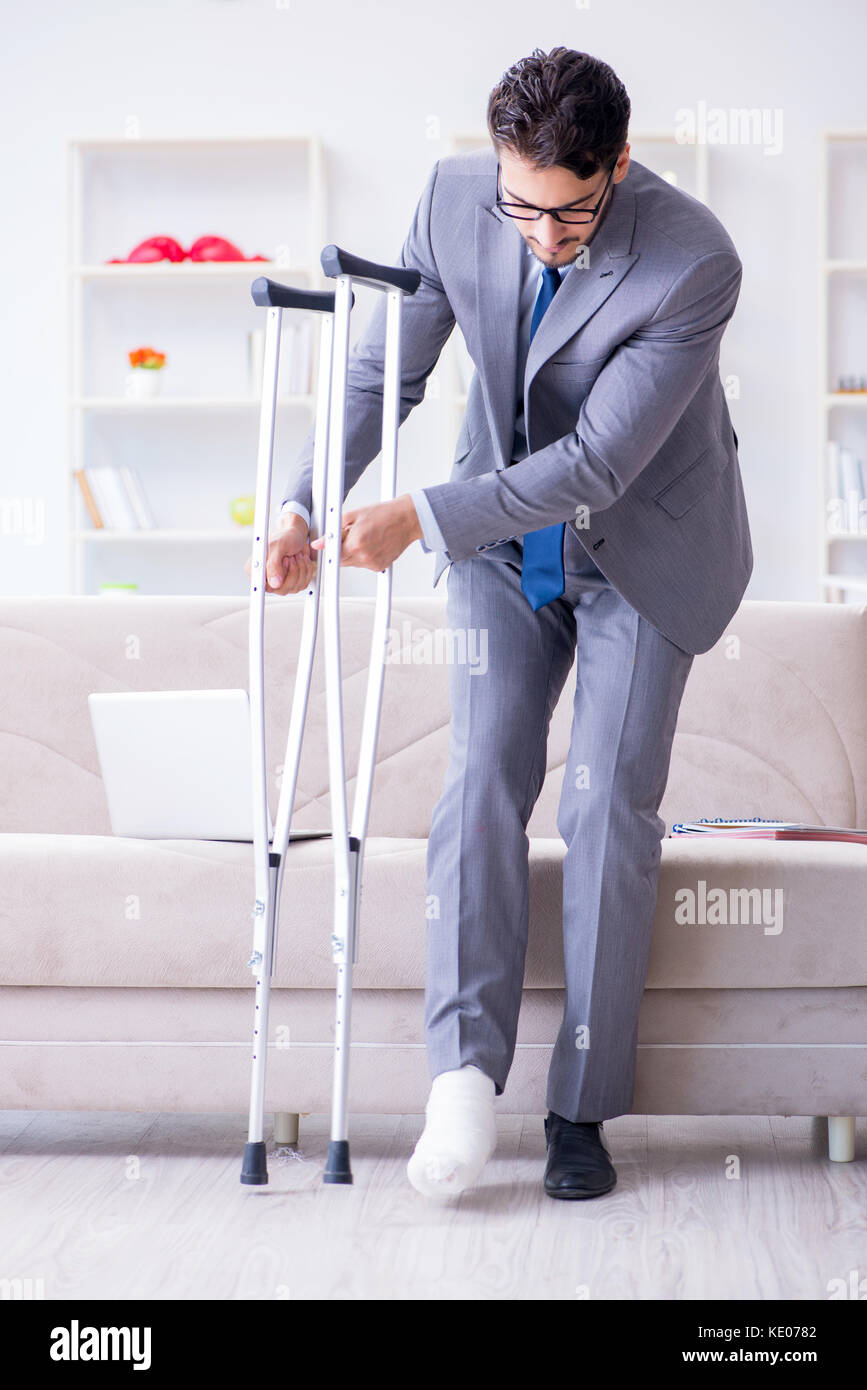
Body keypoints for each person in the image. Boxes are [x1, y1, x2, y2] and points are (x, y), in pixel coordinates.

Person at [249, 46, 752, 1202]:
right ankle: (462, 1082)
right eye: (520, 206)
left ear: (618, 166)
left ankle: (581, 1108)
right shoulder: (451, 199)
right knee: (479, 778)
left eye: (569, 212)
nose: (541, 234)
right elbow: (384, 377)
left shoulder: (693, 260)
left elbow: (598, 462)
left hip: (643, 548)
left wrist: (420, 516)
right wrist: (304, 502)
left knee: (604, 808)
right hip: (497, 538)